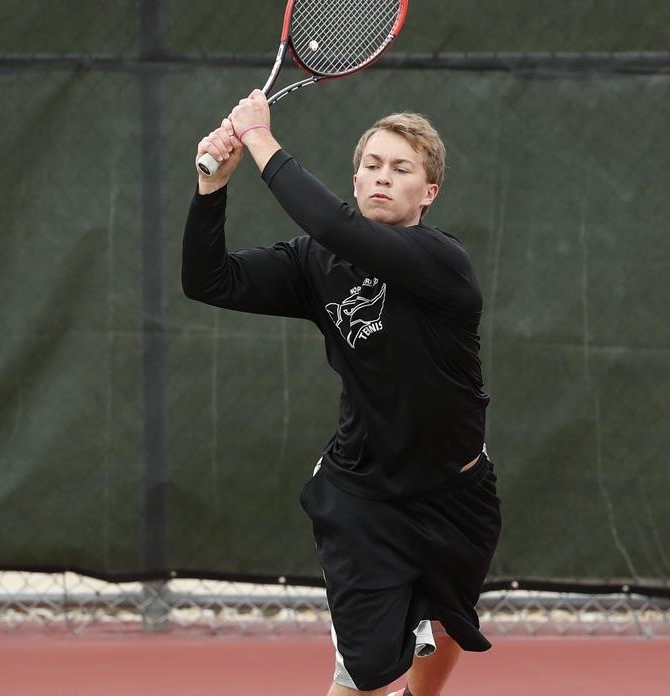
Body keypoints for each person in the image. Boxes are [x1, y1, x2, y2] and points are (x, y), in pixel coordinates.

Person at [183, 89, 502, 696]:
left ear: (427, 194)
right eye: (373, 165)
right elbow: (209, 280)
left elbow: (334, 222)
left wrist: (258, 138)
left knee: (452, 621)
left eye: (401, 169)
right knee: (366, 679)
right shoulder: (315, 263)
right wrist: (212, 189)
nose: (383, 177)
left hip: (458, 496)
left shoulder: (443, 262)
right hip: (364, 500)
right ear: (354, 178)